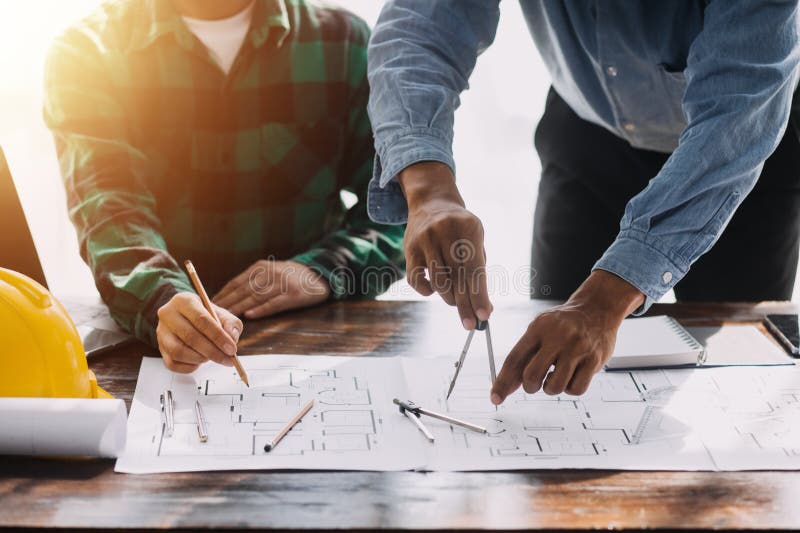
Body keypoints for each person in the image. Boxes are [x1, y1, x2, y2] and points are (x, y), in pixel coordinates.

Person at [366, 1, 800, 401]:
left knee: (732, 382)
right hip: (589, 125)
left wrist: (606, 300)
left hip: (743, 147)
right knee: (556, 360)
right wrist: (429, 190)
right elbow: (418, 30)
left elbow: (735, 116)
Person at [44, 0, 404, 372]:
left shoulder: (344, 44)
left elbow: (396, 213)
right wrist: (162, 297)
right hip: (153, 352)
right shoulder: (88, 52)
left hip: (318, 348)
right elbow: (108, 211)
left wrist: (321, 271)